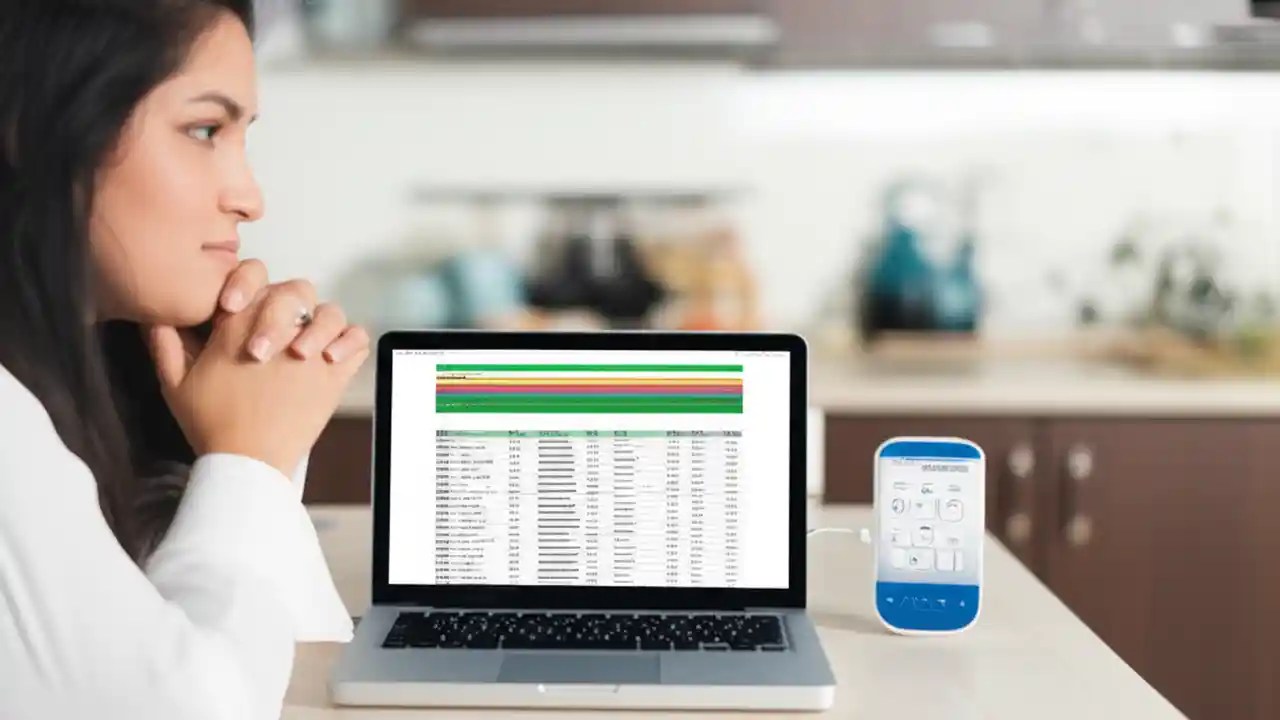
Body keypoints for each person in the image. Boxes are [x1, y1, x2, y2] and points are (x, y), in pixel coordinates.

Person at [0, 1, 371, 717]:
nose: (249, 197)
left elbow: (302, 668)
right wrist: (247, 465)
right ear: (32, 125)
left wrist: (249, 451)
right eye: (204, 130)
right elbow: (190, 708)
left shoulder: (80, 393)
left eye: (241, 137)